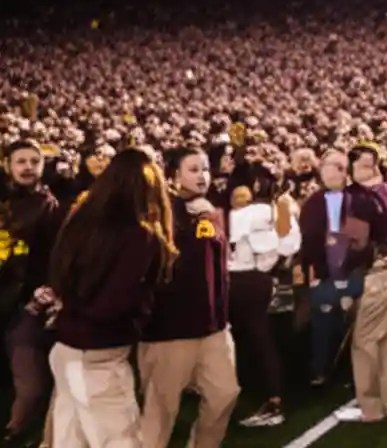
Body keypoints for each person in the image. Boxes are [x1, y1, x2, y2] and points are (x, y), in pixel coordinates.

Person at [47, 148, 179, 448]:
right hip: (99, 354)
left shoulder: (81, 217)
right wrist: (142, 311)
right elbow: (115, 302)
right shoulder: (138, 235)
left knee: (70, 438)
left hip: (67, 345)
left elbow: (58, 273)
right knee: (120, 440)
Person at [138, 147, 240, 448]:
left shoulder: (210, 209)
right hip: (170, 330)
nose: (202, 176)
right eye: (194, 169)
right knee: (160, 411)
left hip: (213, 327)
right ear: (173, 175)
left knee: (225, 394)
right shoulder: (157, 212)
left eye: (205, 169)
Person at [335, 144, 387, 424]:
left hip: (380, 271)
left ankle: (371, 408)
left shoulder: (361, 198)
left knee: (365, 341)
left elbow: (357, 245)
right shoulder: (384, 189)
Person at [1, 140, 65, 445]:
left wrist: (45, 294)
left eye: (34, 161)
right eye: (21, 161)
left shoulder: (48, 206)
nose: (28, 167)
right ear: (7, 165)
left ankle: (16, 431)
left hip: (23, 305)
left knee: (31, 386)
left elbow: (54, 256)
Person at [228, 167, 300, 427]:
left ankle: (271, 398)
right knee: (255, 340)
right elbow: (289, 245)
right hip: (258, 278)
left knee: (254, 340)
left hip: (244, 278)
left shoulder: (257, 213)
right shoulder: (275, 209)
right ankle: (269, 395)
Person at [297, 150, 361, 387]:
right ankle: (321, 368)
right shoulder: (313, 204)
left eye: (343, 167)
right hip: (324, 273)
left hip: (353, 270)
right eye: (334, 166)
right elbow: (308, 242)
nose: (339, 172)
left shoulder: (356, 200)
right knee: (324, 315)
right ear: (322, 170)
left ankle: (353, 370)